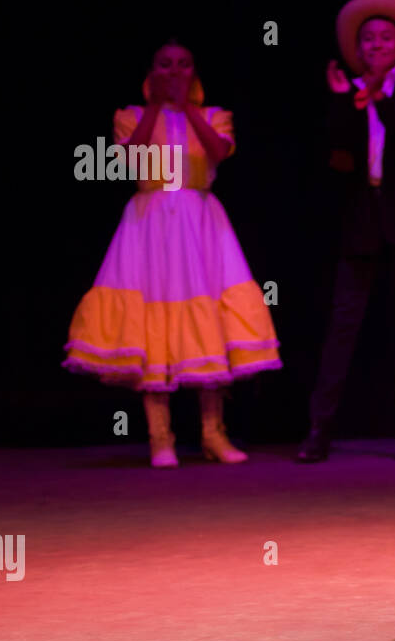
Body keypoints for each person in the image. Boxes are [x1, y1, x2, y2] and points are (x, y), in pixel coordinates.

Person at [63, 41, 280, 466]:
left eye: (183, 65)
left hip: (201, 222)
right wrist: (159, 108)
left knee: (211, 320)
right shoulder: (130, 117)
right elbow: (131, 162)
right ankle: (159, 436)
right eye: (166, 65)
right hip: (151, 223)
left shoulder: (217, 116)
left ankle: (213, 434)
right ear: (152, 72)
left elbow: (218, 152)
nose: (175, 71)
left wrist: (188, 108)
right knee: (151, 321)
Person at [297, 0, 395, 462]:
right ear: (358, 49)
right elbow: (334, 152)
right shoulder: (348, 91)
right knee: (342, 326)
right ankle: (319, 430)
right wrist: (347, 101)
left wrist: (379, 98)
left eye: (385, 38)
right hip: (361, 219)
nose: (376, 45)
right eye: (368, 39)